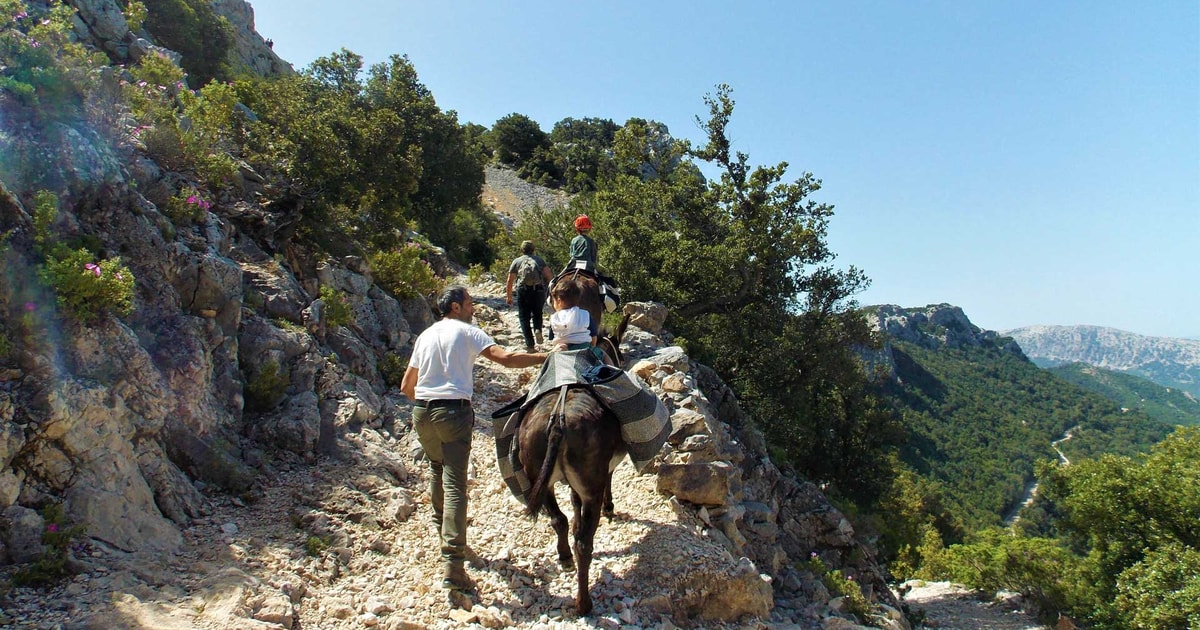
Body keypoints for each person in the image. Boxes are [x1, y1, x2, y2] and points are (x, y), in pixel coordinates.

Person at [400, 286, 548, 593]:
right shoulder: (468, 332)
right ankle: (454, 563)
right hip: (452, 412)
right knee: (455, 483)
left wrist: (427, 403)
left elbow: (406, 386)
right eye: (469, 303)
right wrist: (545, 357)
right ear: (455, 306)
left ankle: (444, 533)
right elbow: (505, 358)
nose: (473, 308)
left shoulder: (425, 335)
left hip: (422, 412)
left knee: (437, 470)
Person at [505, 240, 553, 350]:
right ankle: (538, 330)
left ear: (522, 250)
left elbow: (510, 280)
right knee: (537, 313)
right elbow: (548, 275)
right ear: (533, 249)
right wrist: (550, 291)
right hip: (538, 290)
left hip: (523, 291)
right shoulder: (539, 260)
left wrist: (509, 296)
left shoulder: (517, 261)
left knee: (524, 317)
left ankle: (530, 344)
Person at [548, 279, 598, 351]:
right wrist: (593, 348)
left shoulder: (554, 318)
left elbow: (552, 337)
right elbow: (593, 336)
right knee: (604, 354)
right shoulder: (585, 314)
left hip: (562, 349)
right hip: (584, 348)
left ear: (559, 301)